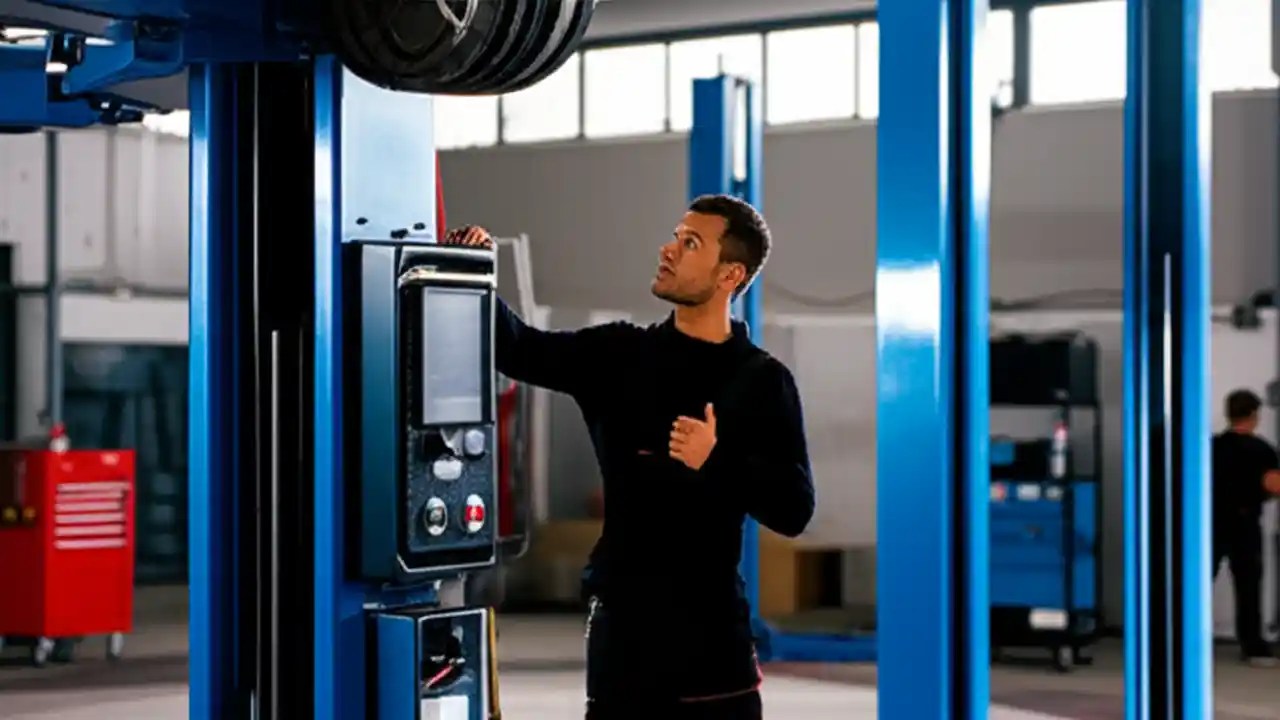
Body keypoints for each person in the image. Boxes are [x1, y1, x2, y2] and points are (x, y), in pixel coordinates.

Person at [443, 194, 816, 718]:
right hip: (625, 641)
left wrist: (716, 458)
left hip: (713, 648)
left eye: (691, 243)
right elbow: (519, 348)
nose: (668, 250)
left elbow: (795, 509)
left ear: (730, 274)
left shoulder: (762, 382)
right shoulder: (618, 357)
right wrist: (469, 273)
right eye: (674, 235)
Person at [1212, 388, 1280, 666]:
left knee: (1198, 583)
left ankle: (1184, 639)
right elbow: (1273, 486)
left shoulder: (1211, 446)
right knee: (1248, 586)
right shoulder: (1262, 449)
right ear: (1253, 415)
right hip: (1245, 524)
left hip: (1211, 523)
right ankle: (1252, 646)